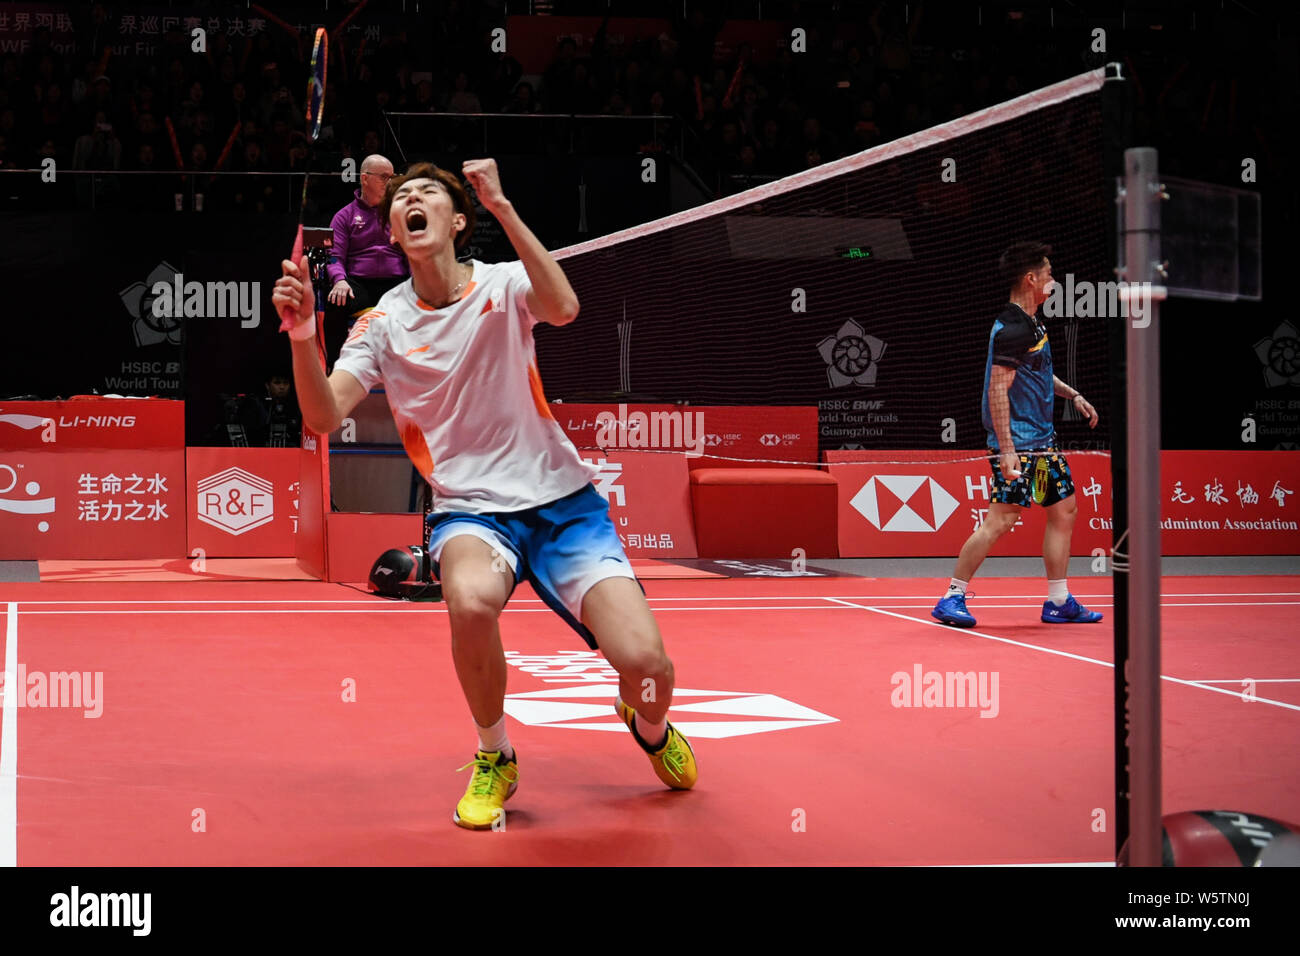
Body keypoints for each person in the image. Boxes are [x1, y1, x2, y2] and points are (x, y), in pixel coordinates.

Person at [273, 158, 698, 829]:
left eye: (428, 194)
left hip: (563, 505)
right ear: (394, 231)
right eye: (401, 197)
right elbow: (323, 415)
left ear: (456, 220)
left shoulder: (502, 285)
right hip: (471, 511)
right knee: (469, 601)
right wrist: (302, 336)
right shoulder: (382, 323)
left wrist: (503, 204)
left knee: (649, 666)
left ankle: (647, 727)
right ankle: (495, 754)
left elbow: (564, 307)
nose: (411, 199)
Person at [932, 242, 1104, 628]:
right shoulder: (1011, 329)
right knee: (1002, 519)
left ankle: (1059, 600)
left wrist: (1072, 394)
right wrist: (1007, 450)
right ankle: (951, 596)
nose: (1053, 281)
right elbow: (997, 390)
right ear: (1031, 279)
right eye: (1048, 274)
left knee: (1064, 510)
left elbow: (1038, 372)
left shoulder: (1030, 323)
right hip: (1021, 445)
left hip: (1042, 443)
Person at [323, 153, 409, 358]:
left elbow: (413, 253)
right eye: (384, 177)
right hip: (358, 285)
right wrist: (339, 281)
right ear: (364, 178)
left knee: (427, 299)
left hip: (396, 284)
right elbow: (334, 256)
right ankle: (335, 367)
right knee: (336, 302)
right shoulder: (344, 216)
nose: (389, 182)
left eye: (392, 177)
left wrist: (419, 281)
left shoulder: (399, 212)